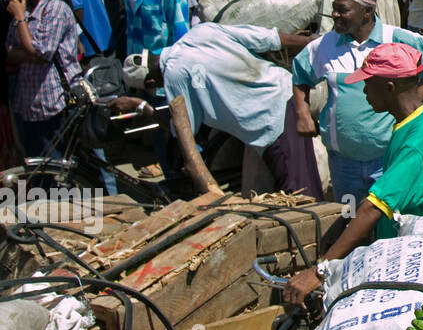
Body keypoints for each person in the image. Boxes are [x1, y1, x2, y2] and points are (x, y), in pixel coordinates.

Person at [284, 43, 423, 305]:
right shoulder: (411, 124)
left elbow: (373, 208)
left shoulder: (419, 138)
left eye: (368, 83)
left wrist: (320, 270)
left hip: (416, 259)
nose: (364, 90)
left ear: (389, 87)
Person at [292, 0, 423, 207]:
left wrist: (414, 99)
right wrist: (302, 112)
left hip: (387, 160)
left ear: (367, 12)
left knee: (385, 217)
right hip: (343, 164)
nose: (335, 16)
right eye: (334, 10)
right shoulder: (325, 46)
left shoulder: (395, 39)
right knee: (348, 217)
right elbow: (300, 75)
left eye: (343, 10)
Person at [121, 23, 321, 199]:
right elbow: (269, 38)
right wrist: (317, 42)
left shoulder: (174, 75)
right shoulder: (200, 32)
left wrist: (144, 108)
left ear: (151, 82)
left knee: (299, 194)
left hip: (270, 118)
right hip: (283, 89)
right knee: (297, 181)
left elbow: (184, 130)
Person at [4, 0, 82, 160]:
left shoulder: (55, 9)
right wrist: (30, 53)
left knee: (56, 162)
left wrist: (21, 19)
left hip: (55, 102)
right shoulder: (26, 8)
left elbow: (42, 52)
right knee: (37, 163)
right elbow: (10, 52)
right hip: (29, 102)